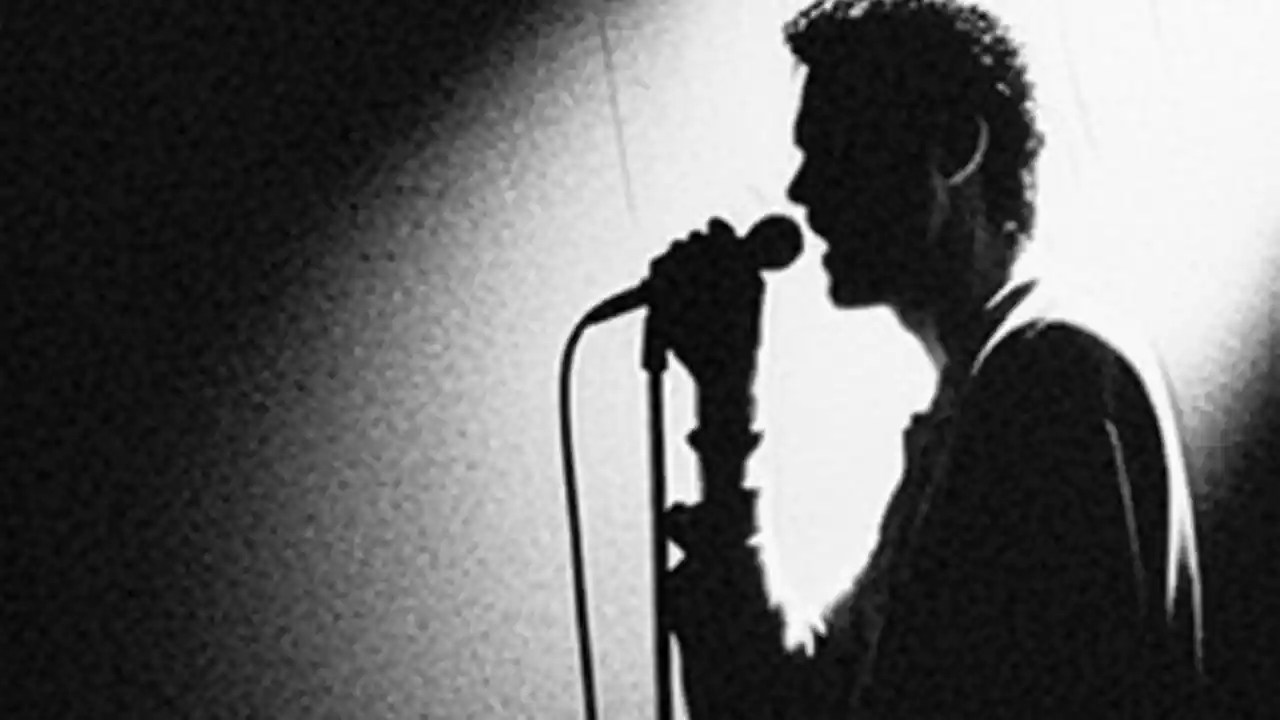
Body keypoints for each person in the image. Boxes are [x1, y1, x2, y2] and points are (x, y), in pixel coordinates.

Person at [650, 1, 1207, 718]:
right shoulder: (986, 391)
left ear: (956, 146)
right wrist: (726, 407)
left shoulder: (1049, 370)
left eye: (838, 149)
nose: (802, 191)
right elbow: (797, 701)